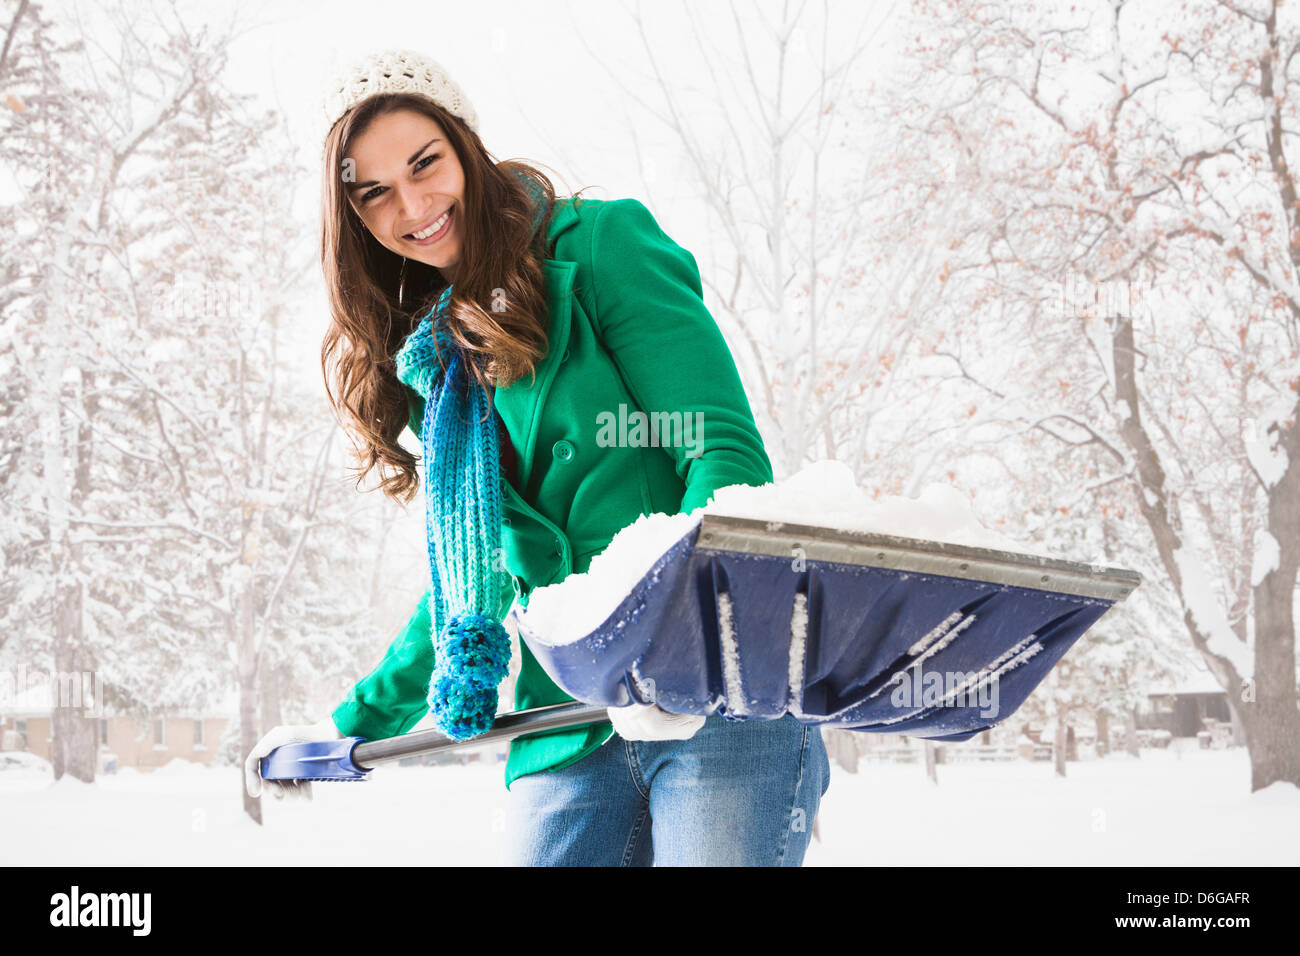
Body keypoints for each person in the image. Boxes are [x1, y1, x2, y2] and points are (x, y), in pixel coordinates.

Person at [244, 48, 829, 866]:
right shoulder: (438, 370)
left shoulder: (600, 248)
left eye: (425, 164)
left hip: (717, 707)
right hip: (567, 728)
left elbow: (720, 455)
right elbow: (468, 580)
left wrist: (684, 647)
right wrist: (350, 726)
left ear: (466, 147)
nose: (413, 205)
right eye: (374, 192)